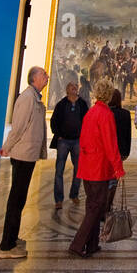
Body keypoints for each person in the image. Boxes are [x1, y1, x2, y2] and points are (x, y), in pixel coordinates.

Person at [69, 78, 124, 259]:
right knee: (96, 208)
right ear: (109, 95)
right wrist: (118, 168)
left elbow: (83, 140)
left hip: (87, 167)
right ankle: (77, 244)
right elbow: (110, 144)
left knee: (92, 205)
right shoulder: (105, 114)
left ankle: (92, 244)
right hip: (99, 168)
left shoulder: (91, 112)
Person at [0, 67, 49, 259]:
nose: (47, 77)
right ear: (35, 78)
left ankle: (12, 238)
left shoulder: (34, 97)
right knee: (16, 200)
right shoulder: (27, 98)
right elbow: (18, 127)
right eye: (43, 75)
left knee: (19, 199)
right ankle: (7, 246)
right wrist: (7, 146)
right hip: (22, 155)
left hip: (28, 155)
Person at [50, 81, 88, 212]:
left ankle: (74, 194)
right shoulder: (61, 104)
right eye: (72, 87)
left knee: (79, 169)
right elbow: (54, 121)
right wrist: (58, 134)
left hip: (77, 140)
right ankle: (59, 199)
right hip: (63, 141)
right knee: (59, 170)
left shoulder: (82, 104)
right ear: (67, 90)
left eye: (76, 87)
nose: (75, 89)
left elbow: (87, 120)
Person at [105, 89, 132, 211]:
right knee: (114, 179)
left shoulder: (105, 113)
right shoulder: (125, 114)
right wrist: (126, 152)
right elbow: (128, 135)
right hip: (119, 151)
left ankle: (103, 205)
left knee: (105, 178)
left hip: (106, 150)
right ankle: (108, 203)